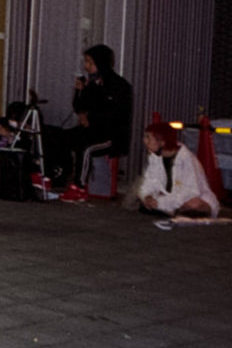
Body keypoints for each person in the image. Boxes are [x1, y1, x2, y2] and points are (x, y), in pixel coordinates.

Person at [59, 45, 133, 203]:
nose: (86, 66)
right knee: (61, 137)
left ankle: (79, 187)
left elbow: (117, 114)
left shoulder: (119, 86)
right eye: (85, 62)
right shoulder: (92, 84)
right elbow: (79, 108)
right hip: (92, 130)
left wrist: (91, 117)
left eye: (90, 62)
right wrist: (79, 91)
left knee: (86, 148)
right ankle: (58, 177)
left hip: (110, 135)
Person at [138, 121, 219, 219]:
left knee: (194, 204)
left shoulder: (186, 159)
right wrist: (147, 196)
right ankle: (172, 212)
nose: (144, 141)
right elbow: (150, 181)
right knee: (143, 197)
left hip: (193, 198)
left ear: (162, 141)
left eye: (148, 138)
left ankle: (174, 212)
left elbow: (191, 192)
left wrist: (160, 203)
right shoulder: (155, 156)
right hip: (170, 198)